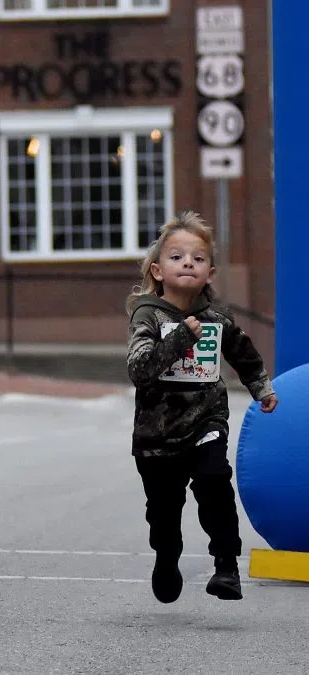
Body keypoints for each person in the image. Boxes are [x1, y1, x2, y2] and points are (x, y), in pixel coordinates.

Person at [126, 211, 278, 603]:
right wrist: (179, 338)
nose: (188, 263)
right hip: (157, 434)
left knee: (215, 484)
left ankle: (226, 565)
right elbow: (139, 370)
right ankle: (166, 555)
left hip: (206, 422)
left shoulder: (216, 318)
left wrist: (261, 388)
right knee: (164, 509)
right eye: (177, 257)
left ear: (210, 272)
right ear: (158, 270)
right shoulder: (149, 315)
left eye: (198, 257)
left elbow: (244, 354)